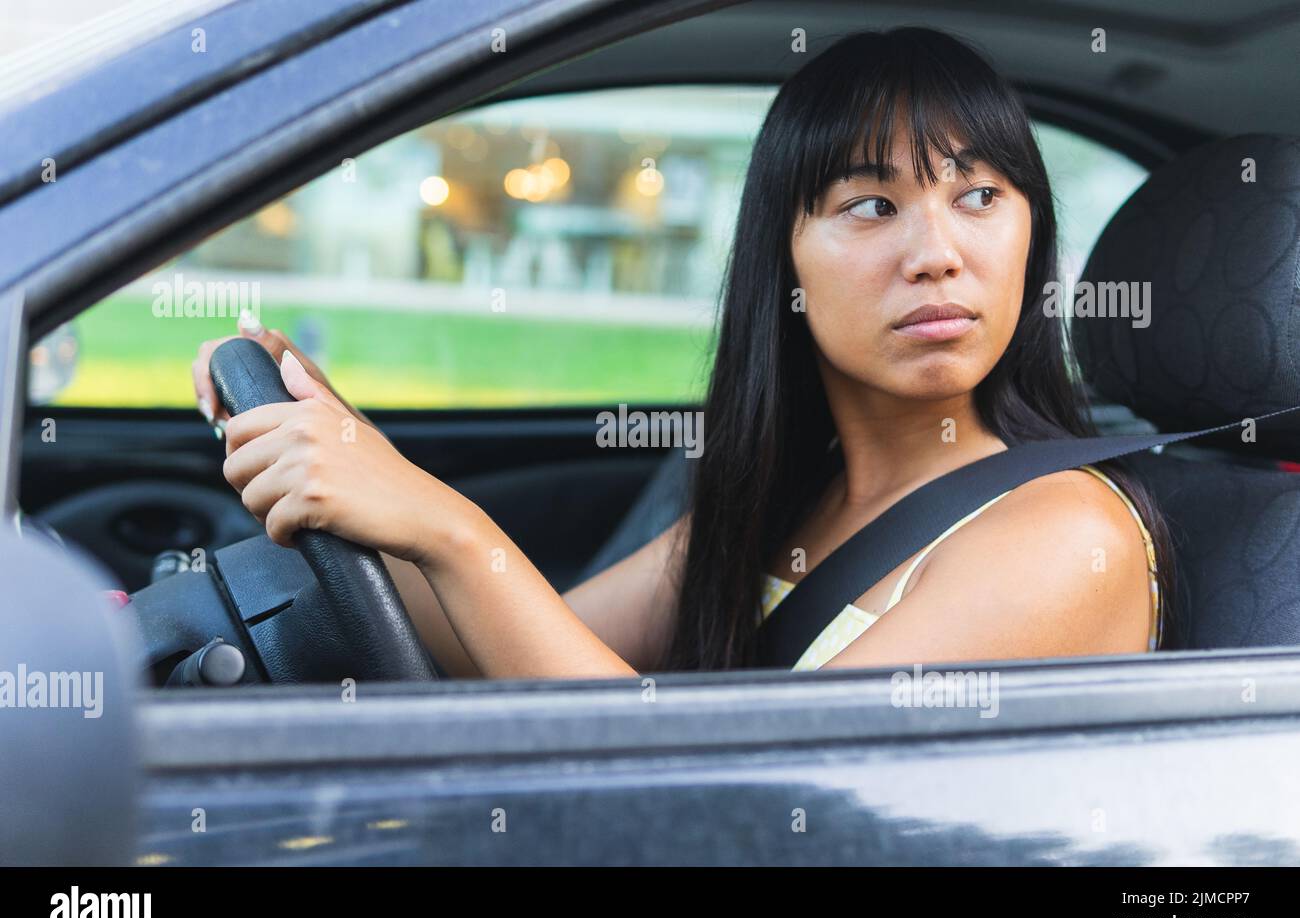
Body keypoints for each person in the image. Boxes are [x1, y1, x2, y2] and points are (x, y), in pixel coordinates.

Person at [191, 28, 1172, 680]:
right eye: (872, 205)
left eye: (978, 195)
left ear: (1031, 236)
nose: (936, 254)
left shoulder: (1059, 536)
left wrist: (450, 527)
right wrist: (334, 449)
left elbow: (751, 805)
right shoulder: (792, 495)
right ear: (779, 254)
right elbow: (506, 642)